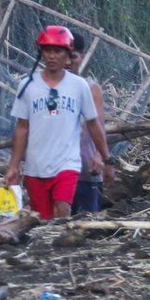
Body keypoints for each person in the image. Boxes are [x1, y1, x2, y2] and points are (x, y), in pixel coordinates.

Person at [5, 26, 116, 220]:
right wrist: (13, 166)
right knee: (44, 218)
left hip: (67, 163)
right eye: (47, 51)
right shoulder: (27, 85)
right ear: (41, 53)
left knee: (62, 210)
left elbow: (93, 124)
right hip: (36, 165)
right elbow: (22, 127)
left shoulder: (80, 86)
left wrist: (106, 159)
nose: (52, 56)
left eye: (58, 51)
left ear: (68, 55)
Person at [68, 35, 111, 214]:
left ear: (82, 57)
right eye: (65, 55)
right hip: (57, 170)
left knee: (87, 224)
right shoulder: (49, 89)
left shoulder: (91, 89)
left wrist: (99, 156)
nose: (68, 62)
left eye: (74, 56)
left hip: (87, 169)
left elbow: (98, 125)